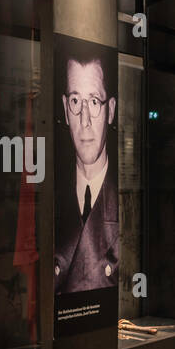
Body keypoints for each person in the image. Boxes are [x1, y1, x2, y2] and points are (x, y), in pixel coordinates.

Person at [54, 54, 117, 293]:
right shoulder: (51, 196)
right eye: (75, 101)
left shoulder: (124, 202)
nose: (85, 119)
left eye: (93, 102)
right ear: (65, 109)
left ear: (110, 111)